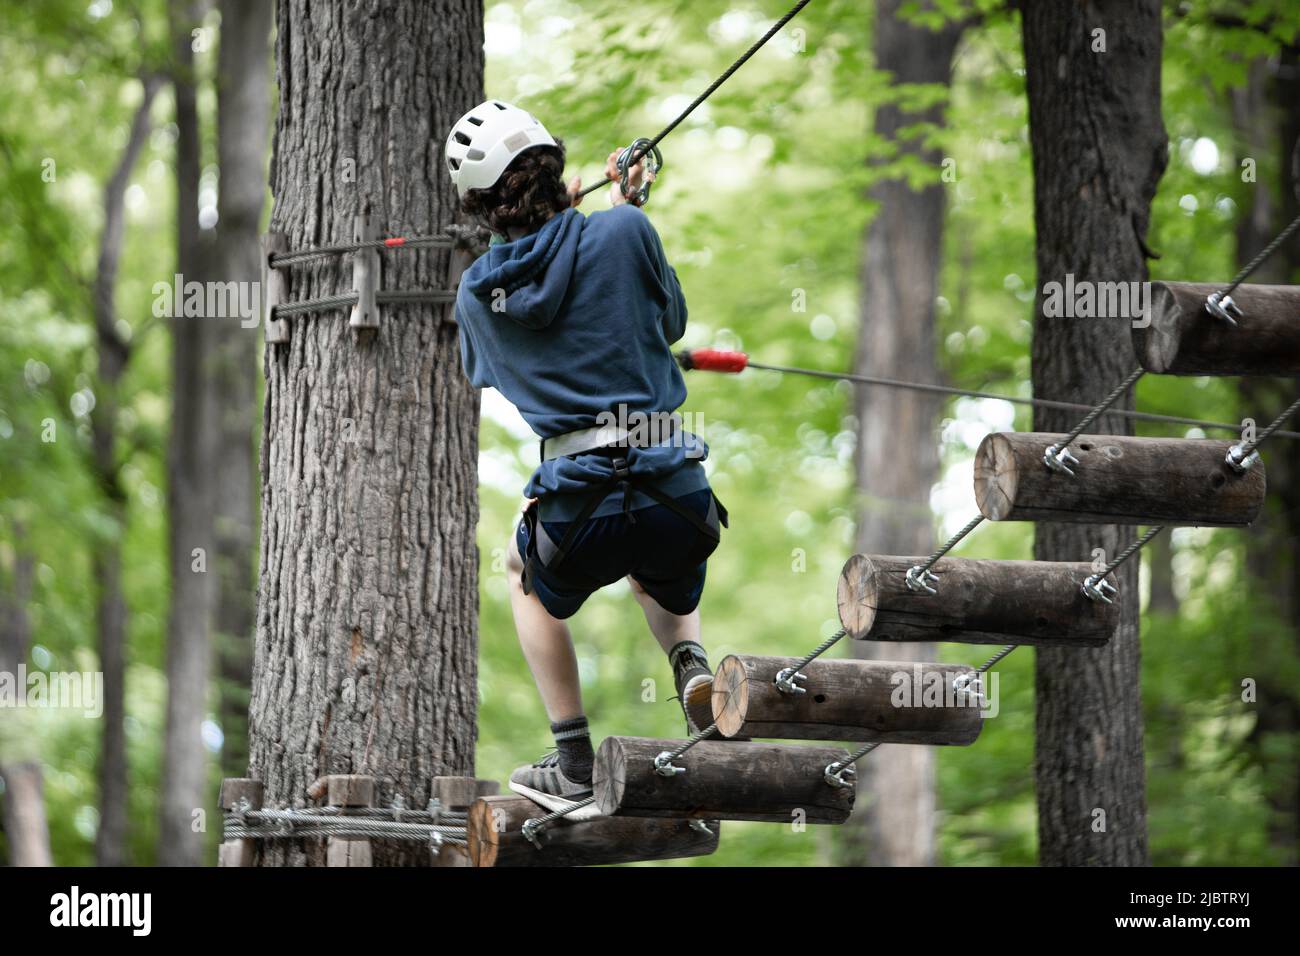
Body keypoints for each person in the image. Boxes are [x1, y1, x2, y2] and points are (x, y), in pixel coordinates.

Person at [446, 100, 727, 813]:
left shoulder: (480, 295)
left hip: (577, 512)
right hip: (678, 500)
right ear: (556, 169)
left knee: (520, 571)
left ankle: (572, 760)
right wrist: (619, 214)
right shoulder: (626, 229)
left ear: (483, 206)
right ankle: (690, 667)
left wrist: (541, 240)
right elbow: (670, 323)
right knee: (654, 564)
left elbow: (488, 368)